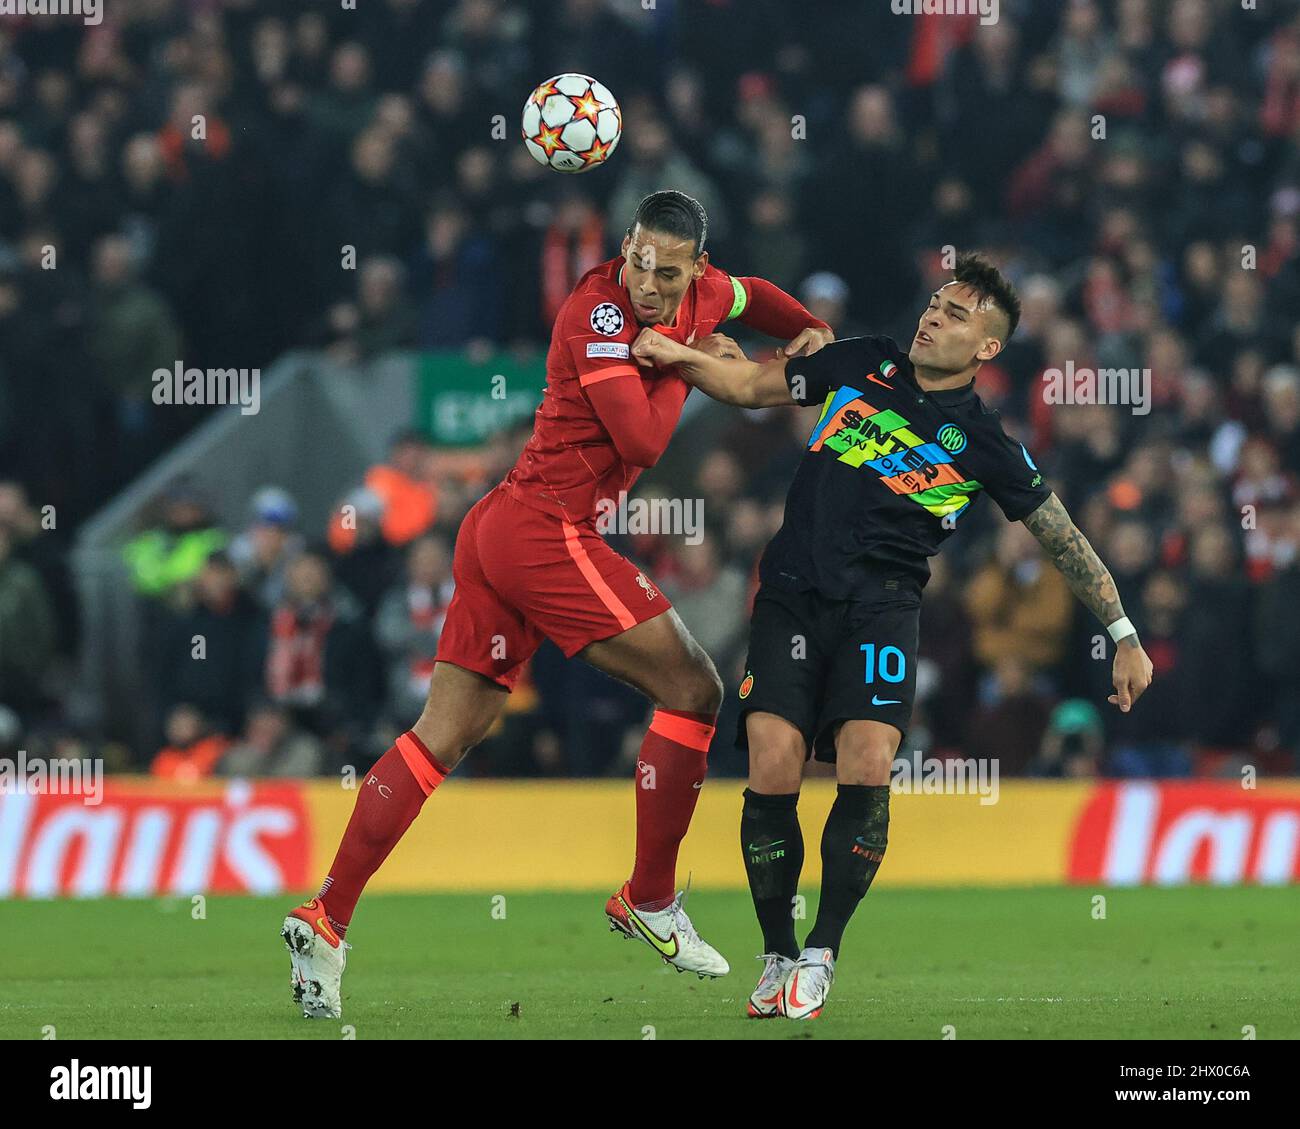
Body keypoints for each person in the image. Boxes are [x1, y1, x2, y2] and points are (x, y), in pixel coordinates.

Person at [280, 189, 833, 1018]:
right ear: (627, 246)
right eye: (639, 260)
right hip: (544, 530)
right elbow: (642, 440)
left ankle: (327, 914)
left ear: (695, 268)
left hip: (503, 532)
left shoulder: (708, 292)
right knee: (696, 689)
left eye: (668, 272)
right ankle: (649, 898)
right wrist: (685, 359)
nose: (647, 283)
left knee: (443, 737)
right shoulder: (595, 312)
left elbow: (757, 294)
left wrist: (805, 330)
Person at [631, 251, 1154, 1020]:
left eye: (955, 313)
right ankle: (777, 951)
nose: (933, 315)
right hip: (793, 594)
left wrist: (1124, 631)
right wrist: (676, 354)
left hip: (883, 608)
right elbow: (749, 387)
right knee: (772, 762)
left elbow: (1061, 536)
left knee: (866, 762)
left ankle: (824, 948)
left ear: (986, 349)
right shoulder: (862, 362)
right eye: (936, 301)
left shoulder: (984, 442)